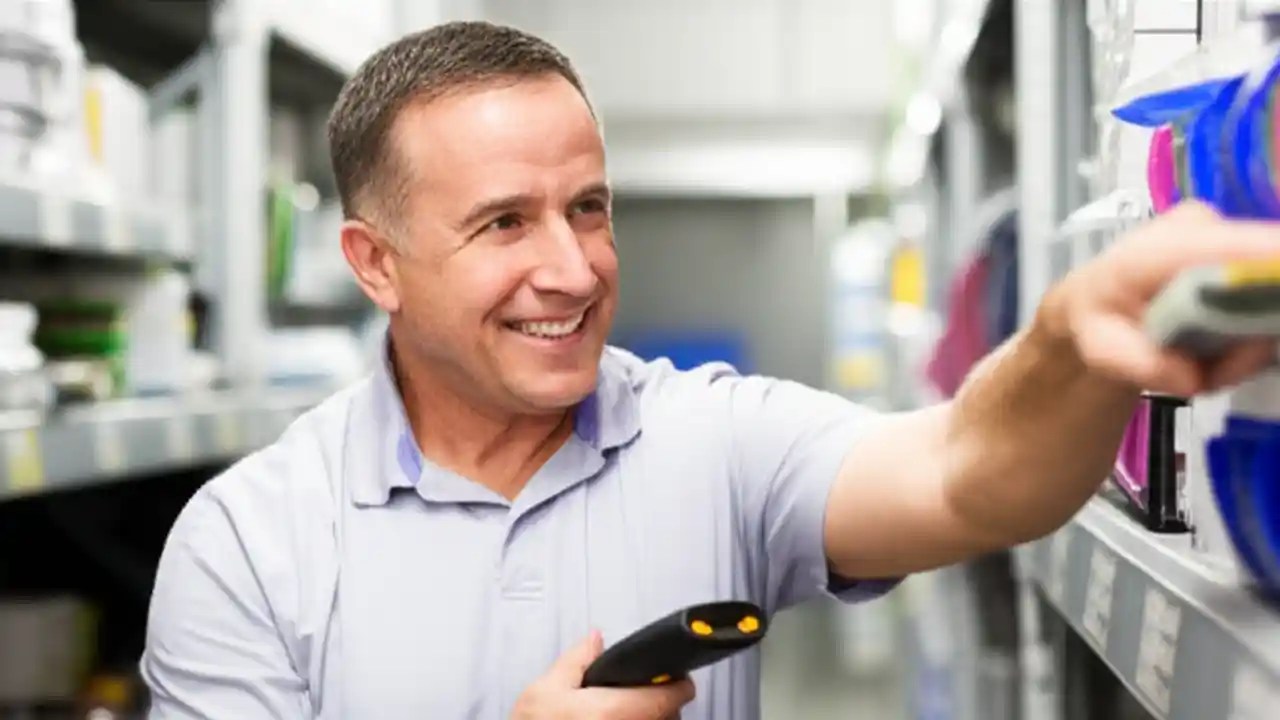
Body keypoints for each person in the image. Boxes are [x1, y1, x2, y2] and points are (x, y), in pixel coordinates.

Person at [139, 20, 1280, 720]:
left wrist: (1070, 339)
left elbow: (966, 475)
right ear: (373, 264)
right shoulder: (251, 545)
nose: (571, 269)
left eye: (588, 208)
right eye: (501, 225)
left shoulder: (707, 441)